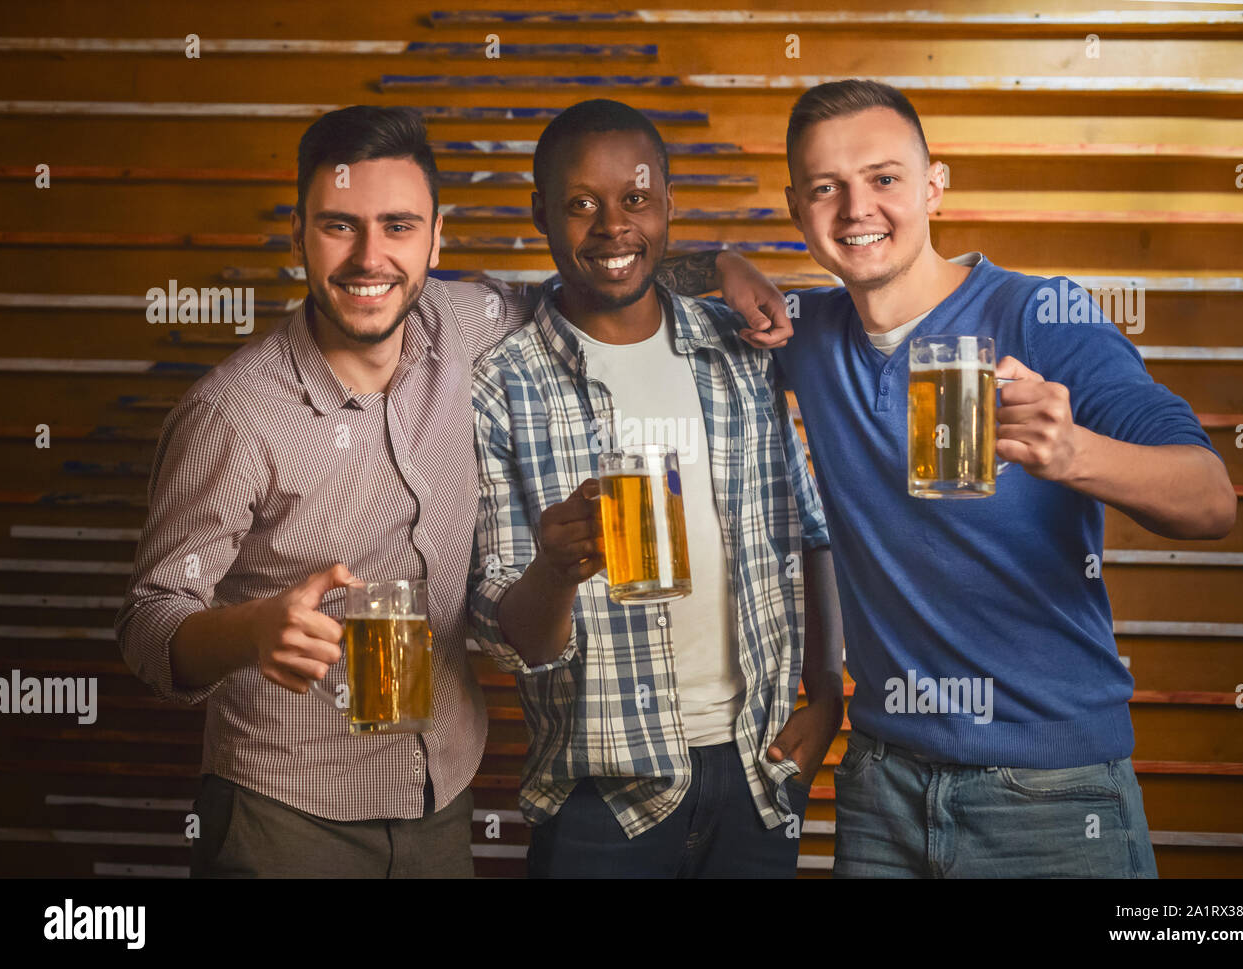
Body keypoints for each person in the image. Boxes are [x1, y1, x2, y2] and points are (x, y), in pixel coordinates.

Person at [115, 105, 793, 878]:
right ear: (298, 232)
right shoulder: (233, 412)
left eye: (398, 226)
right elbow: (147, 622)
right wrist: (250, 632)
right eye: (339, 226)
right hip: (284, 814)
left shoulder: (465, 322)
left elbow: (597, 268)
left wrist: (719, 265)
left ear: (437, 237)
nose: (371, 257)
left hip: (440, 802)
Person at [772, 79, 1236, 878]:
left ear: (933, 185)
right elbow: (633, 283)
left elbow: (1211, 498)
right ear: (798, 206)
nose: (857, 208)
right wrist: (722, 263)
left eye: (883, 178)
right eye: (827, 188)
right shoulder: (806, 332)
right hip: (882, 785)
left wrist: (1073, 453)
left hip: (1051, 794)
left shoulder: (1040, 314)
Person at [469, 99, 844, 878]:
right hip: (602, 800)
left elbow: (811, 529)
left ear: (668, 204)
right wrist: (555, 570)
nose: (612, 226)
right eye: (581, 204)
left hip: (759, 771)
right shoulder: (502, 386)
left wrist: (828, 693)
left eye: (635, 198)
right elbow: (518, 641)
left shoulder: (739, 350)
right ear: (540, 212)